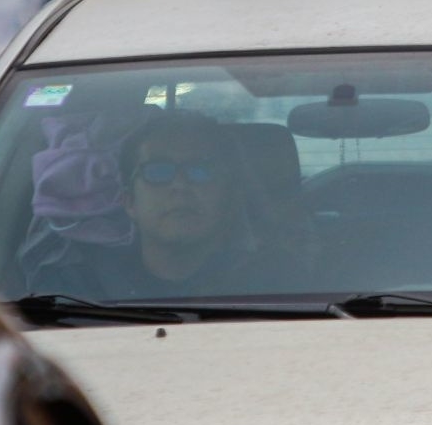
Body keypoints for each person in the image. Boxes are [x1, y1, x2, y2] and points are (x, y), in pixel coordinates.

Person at [18, 109, 268, 300]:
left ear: (229, 198)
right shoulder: (72, 293)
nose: (180, 186)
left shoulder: (272, 283)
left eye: (201, 170)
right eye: (157, 172)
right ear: (128, 202)